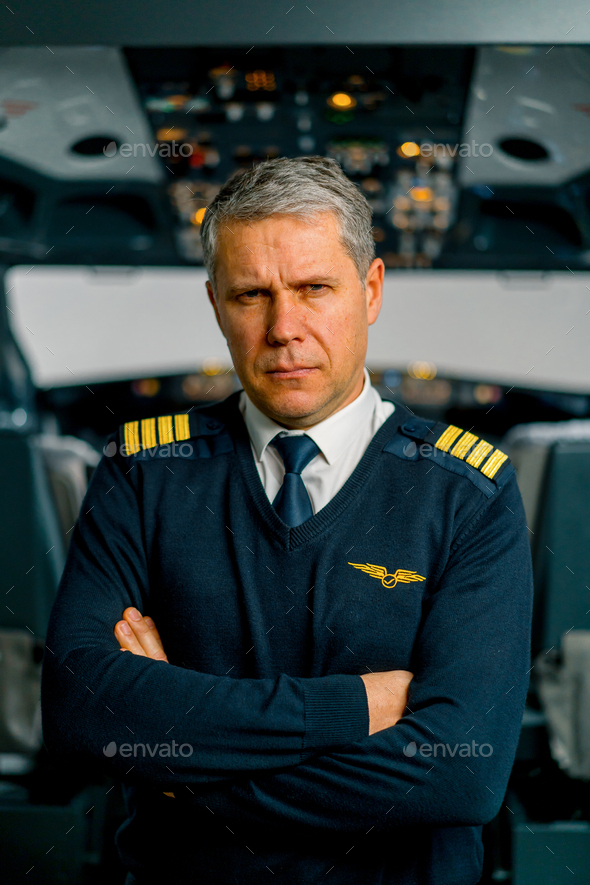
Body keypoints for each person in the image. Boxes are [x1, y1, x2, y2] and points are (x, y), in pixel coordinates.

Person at [41, 156, 533, 885]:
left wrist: (176, 768)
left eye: (313, 289)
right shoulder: (142, 474)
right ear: (215, 304)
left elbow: (458, 778)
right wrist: (353, 708)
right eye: (251, 294)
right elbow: (82, 716)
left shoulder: (470, 493)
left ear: (369, 291)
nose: (283, 327)